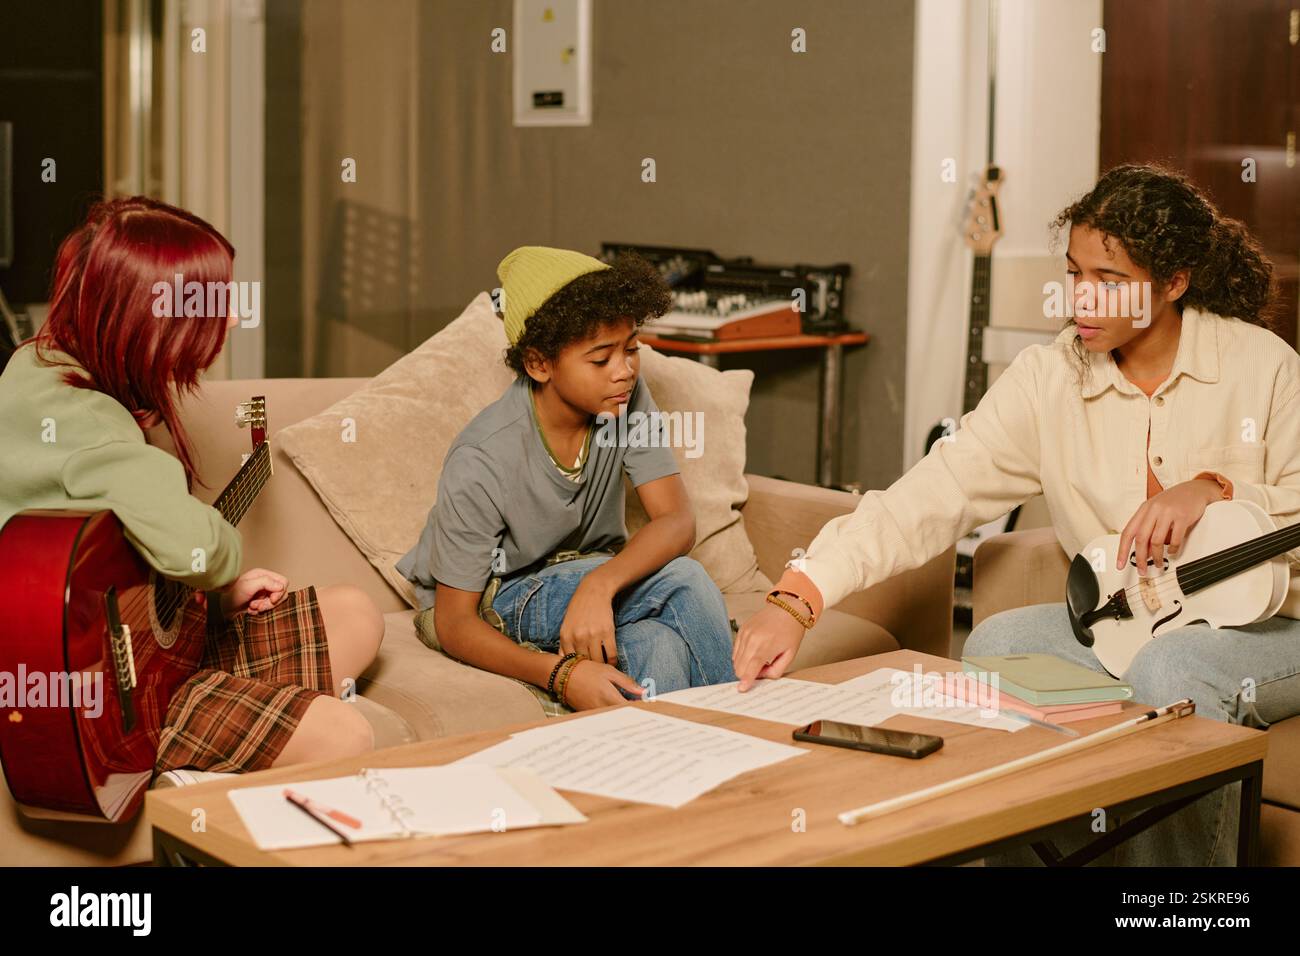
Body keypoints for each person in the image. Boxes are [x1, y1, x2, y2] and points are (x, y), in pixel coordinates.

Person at [733, 164, 1300, 865]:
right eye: (1074, 271)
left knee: (1174, 667)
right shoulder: (1049, 380)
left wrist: (1213, 489)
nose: (1080, 297)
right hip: (1141, 618)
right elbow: (931, 492)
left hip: (1277, 627)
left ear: (1175, 282)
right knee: (996, 646)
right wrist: (799, 595)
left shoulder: (1261, 367)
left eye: (1110, 279)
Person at [0, 196, 385, 774]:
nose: (230, 318)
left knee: (357, 613)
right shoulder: (93, 429)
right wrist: (219, 571)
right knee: (346, 735)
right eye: (211, 301)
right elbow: (201, 550)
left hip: (121, 650)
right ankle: (182, 770)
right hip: (100, 700)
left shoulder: (32, 364)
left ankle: (215, 730)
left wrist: (213, 599)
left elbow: (117, 551)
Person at [397, 246, 736, 711]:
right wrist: (560, 674)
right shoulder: (482, 456)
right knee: (684, 581)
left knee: (660, 646)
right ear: (539, 364)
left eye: (632, 348)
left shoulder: (625, 400)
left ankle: (667, 776)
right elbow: (455, 623)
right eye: (601, 359)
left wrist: (599, 586)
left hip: (584, 570)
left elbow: (676, 519)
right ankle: (751, 739)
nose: (625, 370)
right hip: (503, 593)